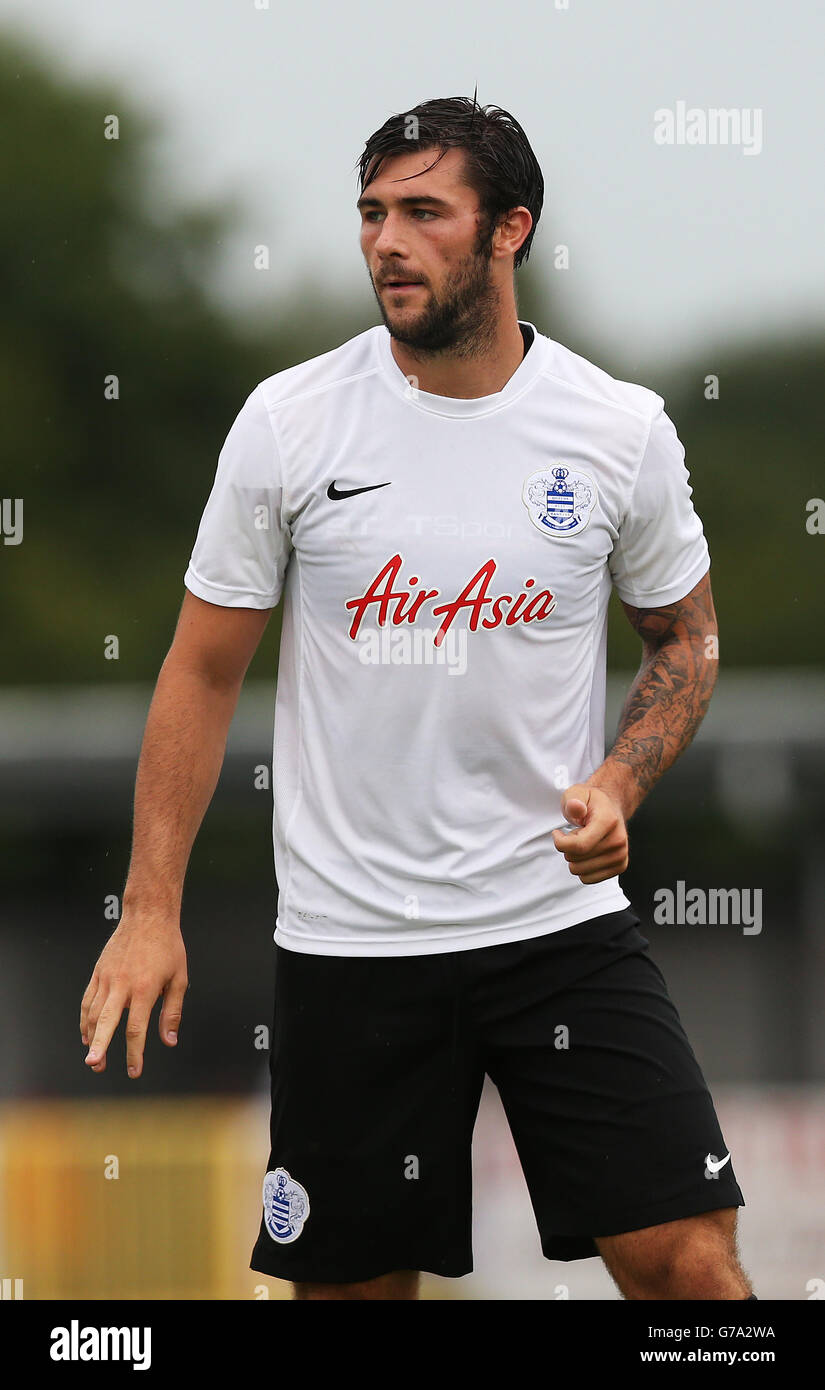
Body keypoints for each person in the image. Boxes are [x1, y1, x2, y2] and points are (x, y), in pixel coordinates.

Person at [80, 96, 755, 1302]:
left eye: (424, 213)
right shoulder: (289, 424)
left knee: (689, 1262)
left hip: (558, 932)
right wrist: (149, 908)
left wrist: (617, 781)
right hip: (354, 947)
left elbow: (685, 641)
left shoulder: (616, 430)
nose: (386, 241)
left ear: (508, 231)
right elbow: (199, 670)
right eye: (372, 213)